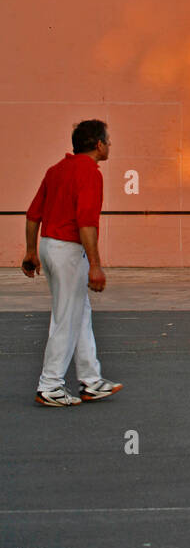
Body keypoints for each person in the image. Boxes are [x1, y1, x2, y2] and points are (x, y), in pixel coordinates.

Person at [23, 120, 122, 407]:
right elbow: (86, 223)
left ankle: (91, 380)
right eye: (108, 140)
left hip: (48, 247)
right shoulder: (89, 172)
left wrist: (31, 252)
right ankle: (50, 385)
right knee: (66, 317)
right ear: (98, 144)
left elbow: (32, 215)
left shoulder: (56, 170)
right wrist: (95, 265)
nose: (110, 145)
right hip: (67, 251)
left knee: (79, 313)